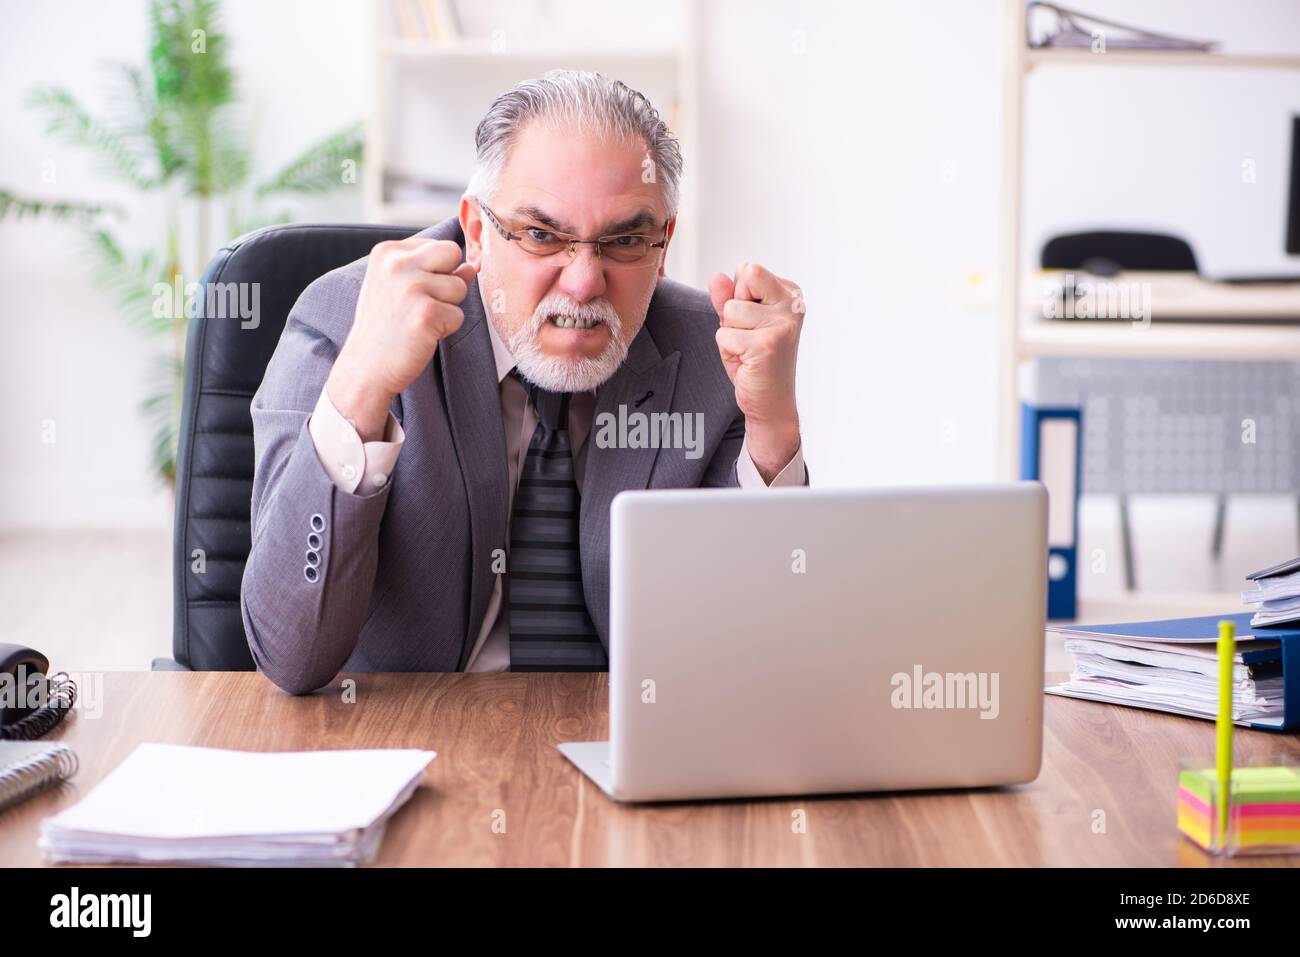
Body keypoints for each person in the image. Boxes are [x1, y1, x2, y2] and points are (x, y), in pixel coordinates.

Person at [241, 69, 807, 692]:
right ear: (478, 232)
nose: (585, 282)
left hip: (630, 737)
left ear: (664, 244)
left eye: (623, 241)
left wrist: (773, 428)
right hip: (416, 735)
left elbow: (759, 658)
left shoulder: (708, 350)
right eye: (541, 235)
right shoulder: (349, 319)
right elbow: (291, 655)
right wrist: (360, 388)